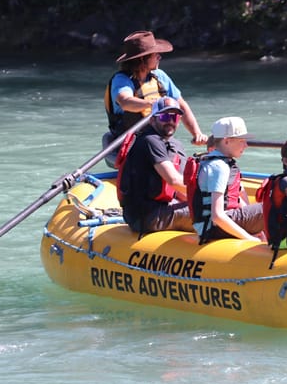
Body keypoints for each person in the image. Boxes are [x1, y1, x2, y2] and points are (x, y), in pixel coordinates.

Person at [102, 30, 207, 167]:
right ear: (142, 59)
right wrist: (155, 104)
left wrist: (197, 133)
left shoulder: (160, 76)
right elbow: (125, 101)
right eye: (155, 54)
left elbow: (181, 106)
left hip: (160, 139)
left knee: (178, 150)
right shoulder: (122, 80)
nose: (159, 57)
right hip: (132, 143)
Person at [119, 96, 194, 234]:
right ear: (152, 119)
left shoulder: (173, 145)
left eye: (175, 118)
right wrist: (206, 197)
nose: (170, 121)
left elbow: (180, 187)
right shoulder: (150, 140)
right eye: (165, 117)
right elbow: (174, 181)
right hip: (146, 217)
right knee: (208, 213)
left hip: (154, 211)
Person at [192, 117, 264, 242]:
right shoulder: (219, 167)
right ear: (226, 141)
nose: (246, 145)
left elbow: (236, 198)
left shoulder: (220, 163)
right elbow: (217, 215)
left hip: (214, 226)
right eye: (241, 140)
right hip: (214, 229)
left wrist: (256, 230)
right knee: (273, 204)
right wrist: (249, 238)